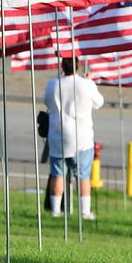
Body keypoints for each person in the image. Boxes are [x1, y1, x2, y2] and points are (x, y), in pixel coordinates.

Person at [45, 57, 104, 220]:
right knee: (83, 175)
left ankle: (56, 210)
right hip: (82, 137)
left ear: (62, 66)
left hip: (58, 135)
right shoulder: (87, 84)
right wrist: (89, 82)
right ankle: (85, 211)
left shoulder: (53, 84)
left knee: (57, 174)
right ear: (77, 66)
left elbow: (47, 102)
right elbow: (99, 102)